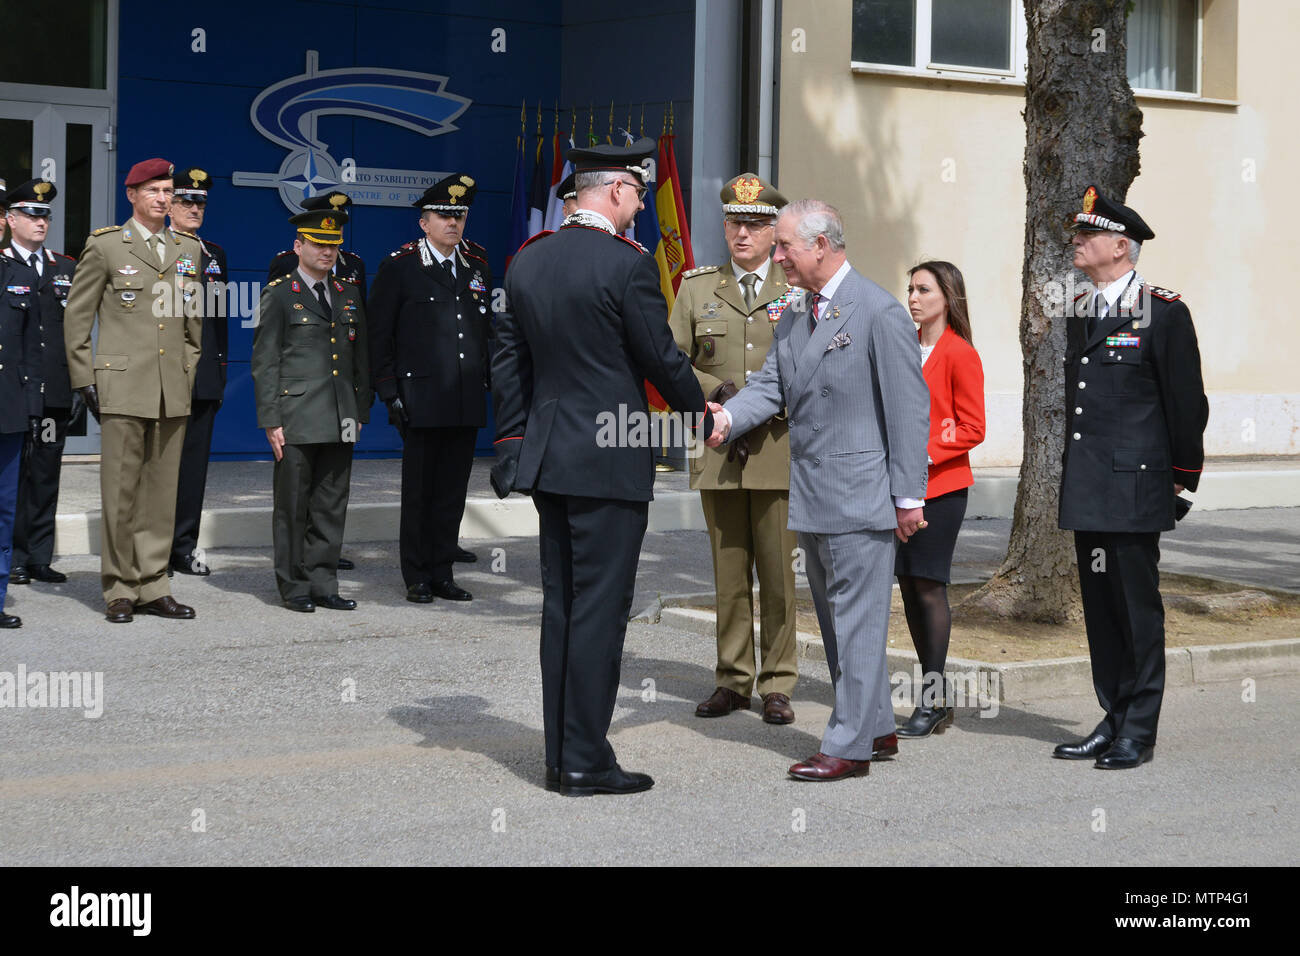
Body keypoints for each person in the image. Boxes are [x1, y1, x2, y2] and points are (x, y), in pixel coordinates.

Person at [491, 137, 712, 796]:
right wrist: (705, 408)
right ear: (615, 190)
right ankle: (585, 760)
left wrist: (511, 438)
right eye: (638, 194)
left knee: (562, 607)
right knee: (600, 611)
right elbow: (658, 357)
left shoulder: (529, 261)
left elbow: (509, 359)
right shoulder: (626, 266)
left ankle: (563, 754)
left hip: (552, 458)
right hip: (610, 461)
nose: (641, 207)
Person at [708, 199, 929, 782]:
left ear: (822, 246)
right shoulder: (799, 312)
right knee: (838, 626)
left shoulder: (878, 311)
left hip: (861, 497)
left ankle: (848, 746)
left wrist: (910, 498)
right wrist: (727, 420)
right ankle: (876, 725)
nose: (776, 256)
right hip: (815, 494)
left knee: (856, 625)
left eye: (784, 246)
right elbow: (773, 384)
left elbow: (909, 412)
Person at [1054, 186, 1207, 770]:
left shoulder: (1163, 311)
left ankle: (1138, 731)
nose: (1079, 241)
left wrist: (1183, 480)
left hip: (1137, 487)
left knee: (1137, 609)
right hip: (1090, 486)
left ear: (1121, 247)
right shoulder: (1080, 308)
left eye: (1089, 234)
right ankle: (1113, 714)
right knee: (1101, 608)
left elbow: (1186, 404)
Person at [669, 173, 802, 725]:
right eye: (733, 223)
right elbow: (671, 360)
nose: (741, 233)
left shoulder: (797, 292)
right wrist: (713, 395)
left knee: (778, 573)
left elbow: (814, 364)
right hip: (720, 448)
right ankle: (732, 679)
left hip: (777, 446)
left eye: (754, 224)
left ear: (774, 232)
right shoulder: (697, 287)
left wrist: (766, 403)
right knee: (729, 573)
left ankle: (777, 682)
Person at [63, 157, 202, 624]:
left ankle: (154, 584)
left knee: (161, 494)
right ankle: (119, 587)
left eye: (168, 191)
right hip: (121, 383)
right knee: (121, 491)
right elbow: (77, 319)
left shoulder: (188, 248)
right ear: (132, 195)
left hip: (171, 388)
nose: (164, 199)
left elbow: (193, 324)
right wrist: (85, 378)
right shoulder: (105, 247)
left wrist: (188, 369)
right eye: (154, 191)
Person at [368, 173, 491, 604]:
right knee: (420, 491)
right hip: (419, 398)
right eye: (444, 215)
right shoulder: (400, 267)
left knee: (452, 492)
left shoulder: (477, 265)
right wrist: (388, 391)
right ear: (424, 222)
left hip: (464, 397)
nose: (453, 223)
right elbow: (379, 335)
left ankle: (443, 571)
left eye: (459, 216)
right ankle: (416, 574)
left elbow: (483, 332)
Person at [251, 205, 369, 613]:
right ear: (298, 245)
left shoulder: (347, 293)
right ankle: (294, 586)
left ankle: (324, 581)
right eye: (319, 244)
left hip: (341, 415)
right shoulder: (281, 294)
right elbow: (265, 361)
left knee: (331, 503)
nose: (327, 252)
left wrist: (360, 410)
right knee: (293, 506)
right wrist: (271, 419)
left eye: (333, 245)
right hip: (296, 417)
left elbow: (359, 360)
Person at [894, 261, 986, 737]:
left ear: (946, 297)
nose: (912, 297)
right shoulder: (904, 345)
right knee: (907, 586)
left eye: (923, 289)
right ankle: (938, 697)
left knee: (929, 586)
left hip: (940, 488)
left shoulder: (959, 353)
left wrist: (922, 454)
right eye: (910, 288)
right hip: (897, 488)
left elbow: (973, 427)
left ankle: (932, 701)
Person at [3, 179, 78, 587]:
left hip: (55, 390)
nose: (40, 221)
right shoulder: (2, 265)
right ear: (11, 219)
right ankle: (11, 555)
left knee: (47, 472)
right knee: (14, 475)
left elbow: (77, 328)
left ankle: (38, 556)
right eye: (32, 214)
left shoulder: (64, 267)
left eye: (45, 214)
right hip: (15, 393)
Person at [168, 167, 228, 577]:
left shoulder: (214, 254)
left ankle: (183, 547)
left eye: (200, 202)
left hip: (202, 379)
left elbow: (218, 319)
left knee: (192, 471)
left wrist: (218, 376)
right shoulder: (155, 248)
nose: (194, 208)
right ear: (168, 204)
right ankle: (153, 550)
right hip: (163, 376)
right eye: (186, 200)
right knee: (157, 471)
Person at [1, 243, 44, 628]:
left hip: (8, 409)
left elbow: (32, 352)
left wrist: (33, 408)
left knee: (3, 508)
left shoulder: (22, 276)